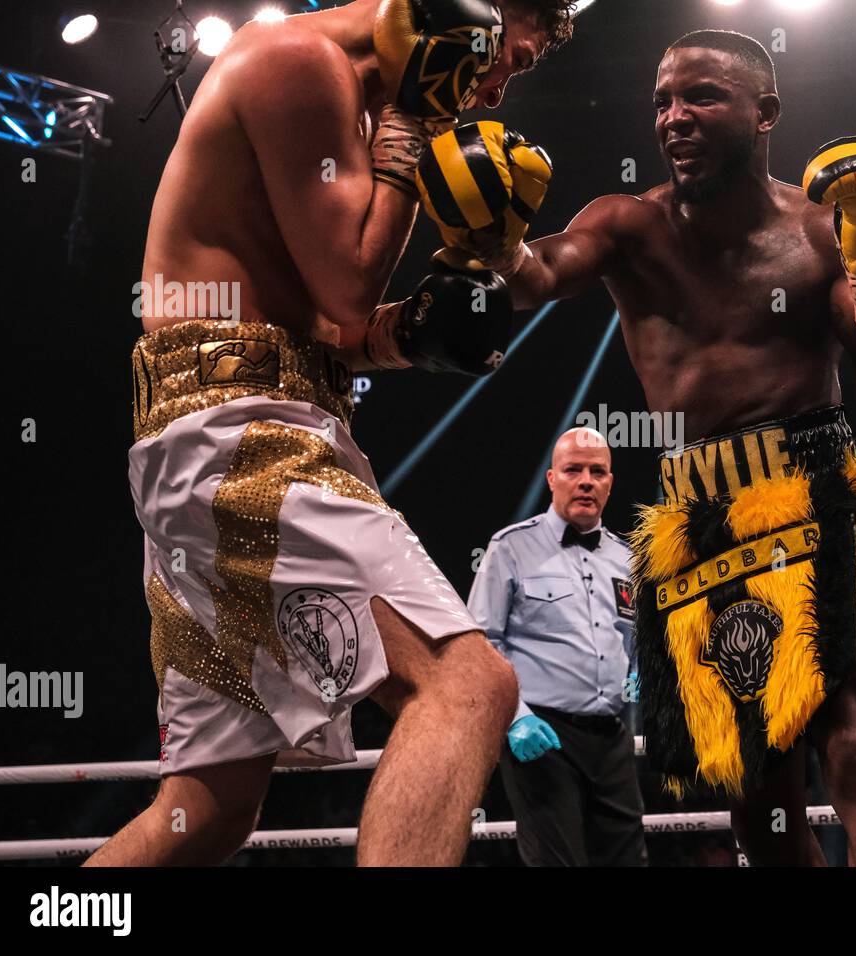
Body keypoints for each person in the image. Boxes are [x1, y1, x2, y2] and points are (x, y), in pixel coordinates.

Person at [415, 28, 856, 865]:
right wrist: (490, 243)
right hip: (703, 537)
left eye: (701, 98)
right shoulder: (627, 225)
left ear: (766, 113)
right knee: (759, 807)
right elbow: (538, 274)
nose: (674, 118)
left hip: (823, 506)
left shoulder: (823, 232)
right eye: (662, 102)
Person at [89, 0, 580, 867]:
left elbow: (342, 326)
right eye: (513, 55)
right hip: (242, 430)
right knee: (468, 686)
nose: (499, 87)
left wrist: (424, 330)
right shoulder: (295, 61)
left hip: (226, 424)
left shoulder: (347, 102)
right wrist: (418, 119)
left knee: (209, 808)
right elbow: (350, 285)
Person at [468, 428, 646, 866]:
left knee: (629, 861)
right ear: (552, 479)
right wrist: (515, 717)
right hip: (542, 735)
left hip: (610, 735)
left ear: (610, 483)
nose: (586, 480)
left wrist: (642, 670)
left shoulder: (628, 558)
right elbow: (480, 643)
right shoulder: (510, 548)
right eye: (574, 470)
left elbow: (635, 637)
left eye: (597, 471)